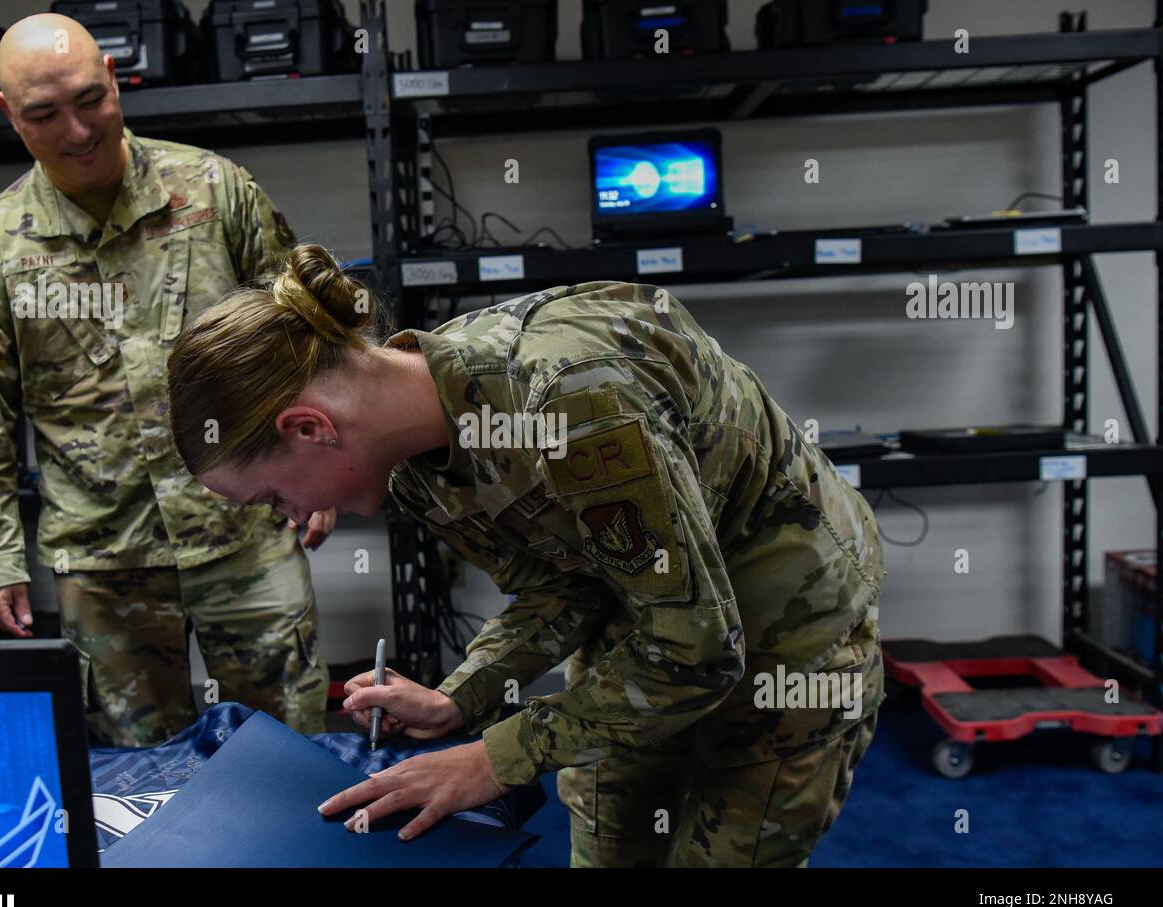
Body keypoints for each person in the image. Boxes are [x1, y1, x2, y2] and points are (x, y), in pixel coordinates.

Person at [168, 241, 887, 867]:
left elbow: (699, 652)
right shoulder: (419, 455)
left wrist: (495, 757)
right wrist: (463, 696)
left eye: (270, 496)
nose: (291, 519)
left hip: (787, 633)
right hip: (651, 627)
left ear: (309, 426)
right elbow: (562, 586)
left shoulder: (569, 400)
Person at [0, 14, 331, 747]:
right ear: (6, 113)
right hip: (103, 563)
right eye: (45, 115)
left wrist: (322, 472)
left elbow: (303, 336)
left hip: (245, 531)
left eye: (91, 99)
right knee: (137, 787)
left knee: (291, 755)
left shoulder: (217, 192)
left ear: (115, 77)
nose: (79, 131)